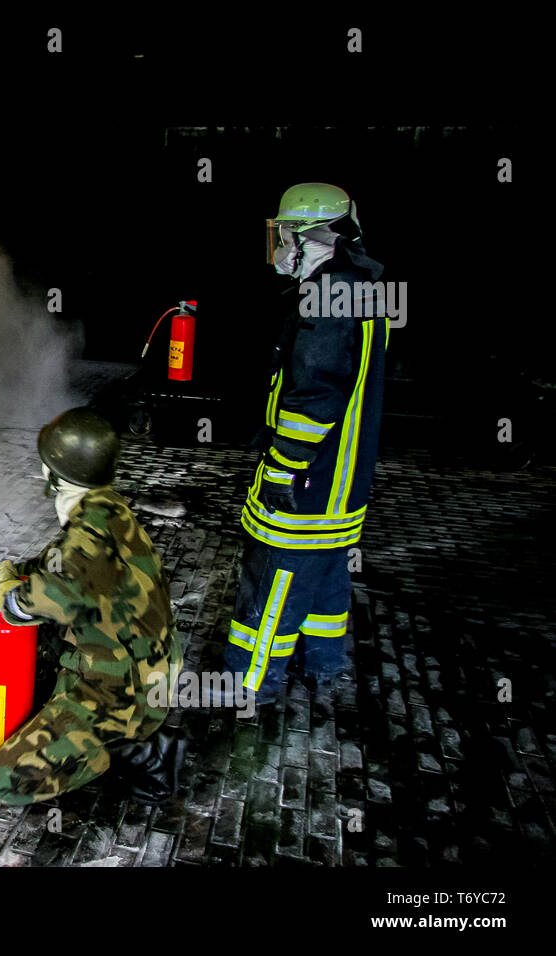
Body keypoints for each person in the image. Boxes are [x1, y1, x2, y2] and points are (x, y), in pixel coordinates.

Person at [0, 408, 184, 806]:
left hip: (125, 695)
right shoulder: (105, 511)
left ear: (55, 475)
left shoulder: (83, 546)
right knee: (40, 649)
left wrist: (3, 589)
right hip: (145, 671)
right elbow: (36, 575)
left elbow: (20, 604)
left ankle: (140, 752)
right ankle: (94, 727)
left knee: (3, 779)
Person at [223, 182, 387, 703]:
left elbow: (314, 396)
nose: (280, 246)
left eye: (285, 233)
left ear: (310, 235)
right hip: (343, 481)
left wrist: (280, 469)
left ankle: (250, 682)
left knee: (273, 579)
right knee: (325, 572)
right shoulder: (359, 286)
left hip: (309, 482)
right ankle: (321, 662)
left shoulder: (327, 296)